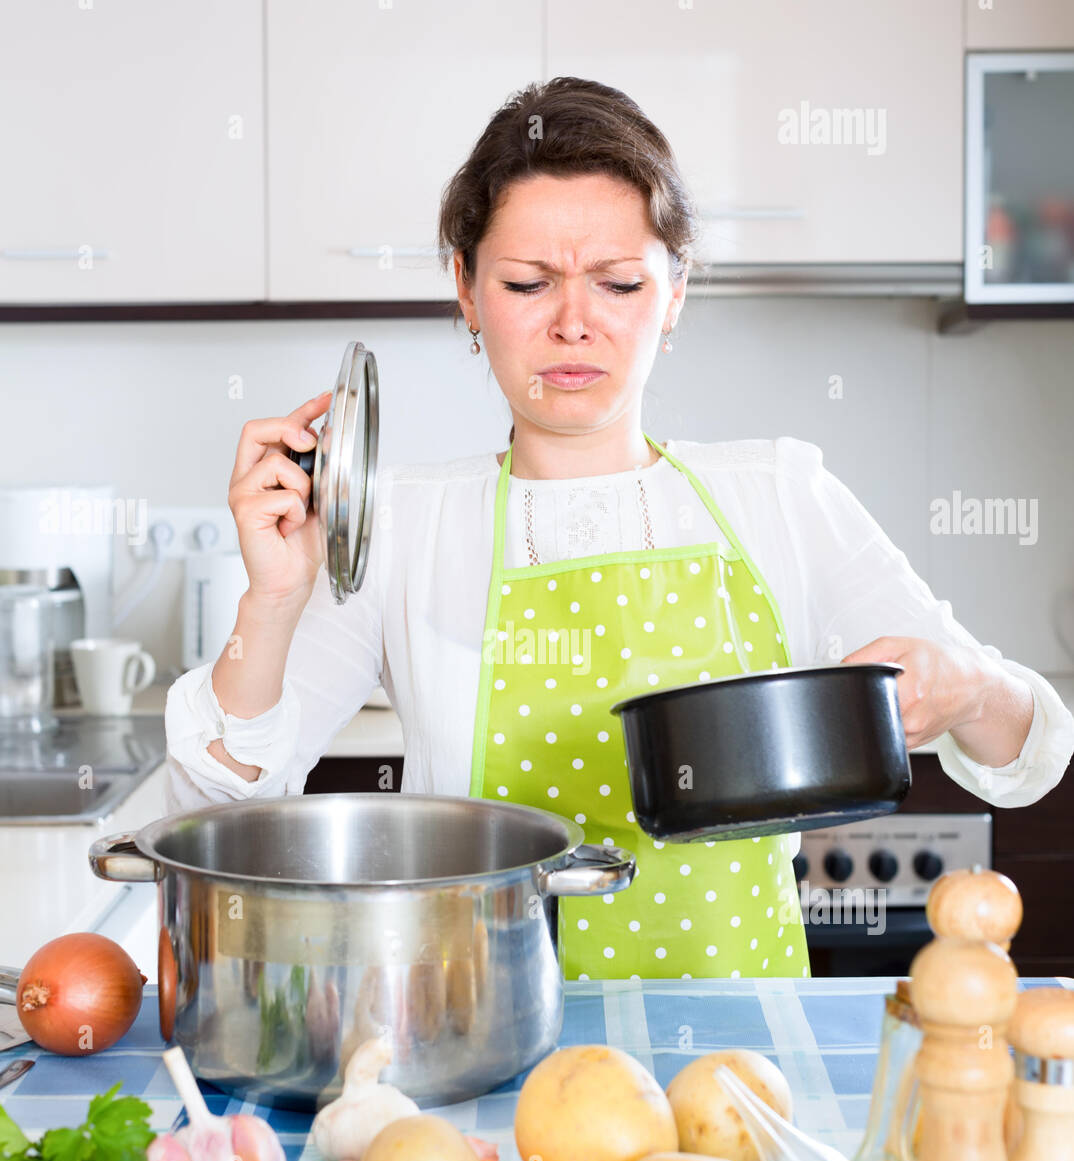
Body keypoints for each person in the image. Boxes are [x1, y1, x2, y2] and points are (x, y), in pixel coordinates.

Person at [165, 77, 1074, 982]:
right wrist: (274, 600)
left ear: (674, 292)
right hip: (484, 1046)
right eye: (527, 282)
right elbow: (215, 800)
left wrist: (963, 687)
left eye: (619, 282)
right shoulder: (402, 525)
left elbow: (1029, 752)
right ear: (467, 291)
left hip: (739, 1069)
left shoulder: (780, 494)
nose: (573, 323)